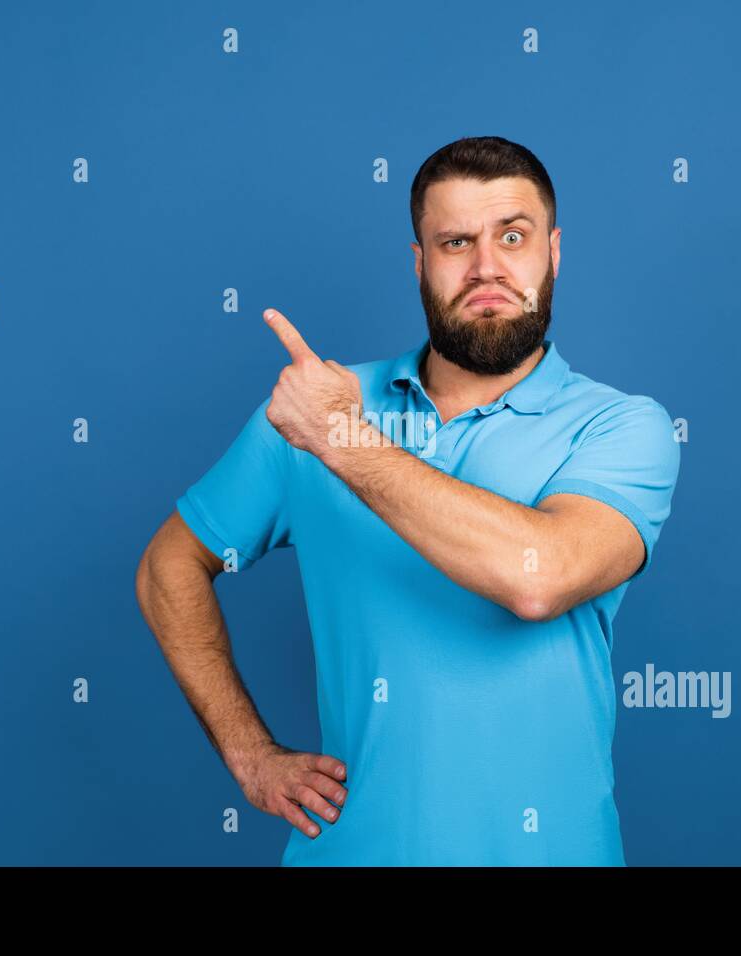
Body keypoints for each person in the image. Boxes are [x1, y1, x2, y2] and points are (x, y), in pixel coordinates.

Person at [136, 135, 681, 865]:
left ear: (553, 251)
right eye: (456, 241)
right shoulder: (314, 407)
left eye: (512, 237)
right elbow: (168, 565)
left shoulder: (621, 426)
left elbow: (538, 576)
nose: (487, 266)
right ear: (419, 264)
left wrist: (343, 439)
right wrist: (251, 755)